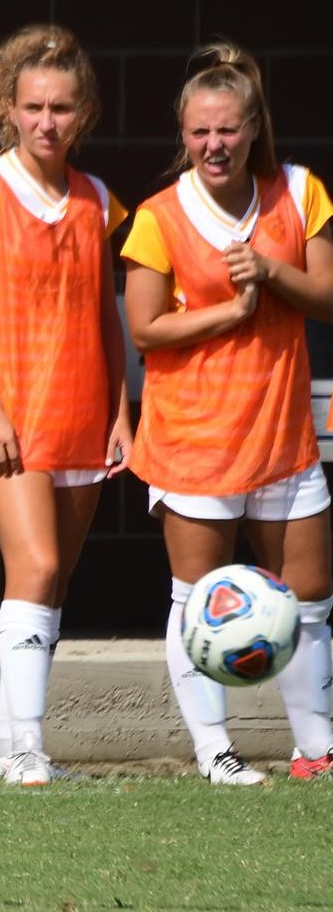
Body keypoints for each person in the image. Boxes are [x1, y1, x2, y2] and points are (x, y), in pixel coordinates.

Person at [122, 42, 333, 784]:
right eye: (199, 132)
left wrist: (273, 273)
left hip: (282, 433)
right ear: (181, 135)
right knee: (197, 600)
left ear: (252, 127)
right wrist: (228, 314)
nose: (214, 145)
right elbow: (144, 330)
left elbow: (328, 297)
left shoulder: (300, 192)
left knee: (307, 600)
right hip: (195, 439)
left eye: (227, 129)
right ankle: (215, 750)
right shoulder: (156, 215)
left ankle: (316, 749)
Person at [0, 25, 131, 786]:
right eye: (31, 106)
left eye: (59, 107)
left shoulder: (96, 201)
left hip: (81, 412)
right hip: (8, 415)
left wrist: (122, 410)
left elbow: (104, 316)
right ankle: (25, 748)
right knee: (37, 561)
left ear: (82, 111)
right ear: (7, 108)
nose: (45, 121)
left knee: (48, 587)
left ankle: (4, 746)